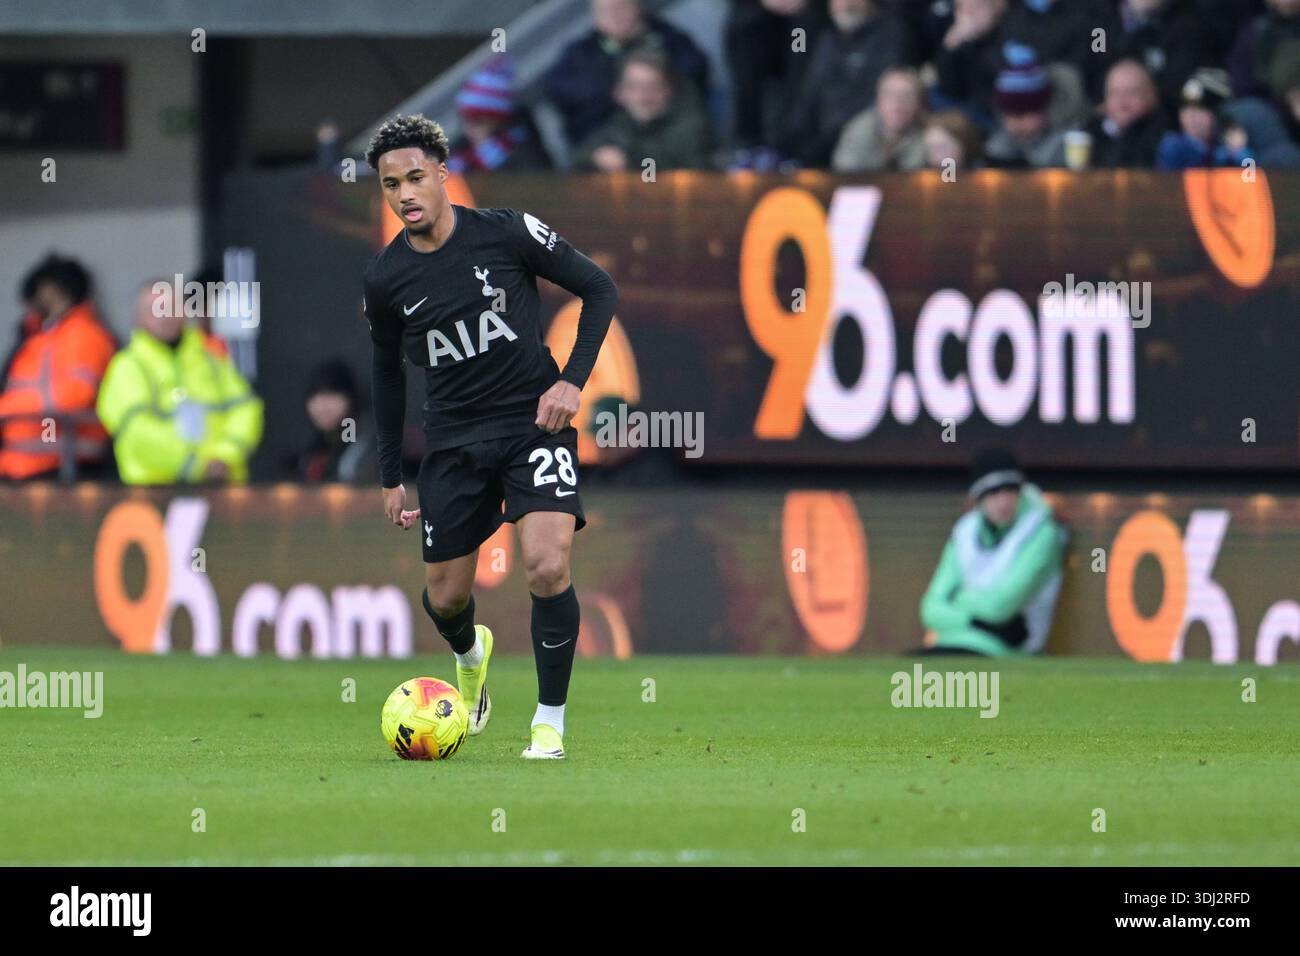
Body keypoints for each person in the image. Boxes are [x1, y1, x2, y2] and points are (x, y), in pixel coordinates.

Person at [363, 115, 617, 760]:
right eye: (392, 184)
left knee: (547, 565)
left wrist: (572, 383)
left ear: (443, 175)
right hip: (452, 443)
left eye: (416, 177)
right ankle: (470, 654)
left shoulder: (506, 232)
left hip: (535, 425)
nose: (405, 193)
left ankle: (549, 723)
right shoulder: (387, 279)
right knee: (446, 597)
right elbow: (387, 377)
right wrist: (391, 474)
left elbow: (598, 287)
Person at [96, 280, 263, 485]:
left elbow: (245, 409)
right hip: (154, 492)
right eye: (155, 309)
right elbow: (137, 432)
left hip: (220, 488)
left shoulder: (211, 360)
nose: (165, 316)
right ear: (138, 318)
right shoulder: (127, 367)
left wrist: (225, 455)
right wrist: (194, 465)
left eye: (172, 307)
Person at [919, 449, 1067, 657]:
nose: (1003, 502)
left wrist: (956, 603)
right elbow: (929, 609)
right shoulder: (965, 531)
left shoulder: (1043, 533)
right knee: (904, 680)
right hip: (949, 643)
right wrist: (976, 622)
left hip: (1008, 652)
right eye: (994, 493)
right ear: (979, 498)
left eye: (1010, 491)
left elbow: (1001, 607)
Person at [0, 255, 116, 480]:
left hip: (61, 468)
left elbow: (72, 396)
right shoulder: (42, 337)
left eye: (38, 292)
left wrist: (6, 408)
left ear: (53, 290)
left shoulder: (83, 335)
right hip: (24, 467)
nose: (33, 303)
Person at [543, 0, 710, 147]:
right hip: (607, 142)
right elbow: (557, 89)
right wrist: (613, 89)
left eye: (621, 7)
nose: (615, 15)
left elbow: (696, 66)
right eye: (606, 10)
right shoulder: (581, 53)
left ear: (637, 7)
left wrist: (655, 83)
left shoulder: (664, 36)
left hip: (669, 132)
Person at [777, 0, 915, 167]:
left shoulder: (891, 33)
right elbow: (809, 95)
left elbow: (880, 94)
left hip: (865, 138)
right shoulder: (826, 39)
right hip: (821, 142)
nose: (845, 4)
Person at [573, 49, 713, 172]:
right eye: (634, 87)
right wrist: (596, 157)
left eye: (653, 86)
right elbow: (578, 160)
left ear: (669, 90)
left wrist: (628, 166)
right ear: (619, 93)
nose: (644, 96)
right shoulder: (618, 125)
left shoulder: (692, 129)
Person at [983, 47, 1087, 168]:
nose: (1017, 124)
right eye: (1010, 115)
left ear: (1045, 109)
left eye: (1024, 115)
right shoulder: (998, 147)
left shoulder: (1069, 143)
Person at [446, 56, 551, 174]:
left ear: (499, 123)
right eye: (464, 120)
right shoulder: (460, 154)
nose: (467, 129)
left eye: (478, 121)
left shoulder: (526, 157)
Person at [284, 359, 376, 483]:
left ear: (352, 400)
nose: (323, 407)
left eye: (332, 396)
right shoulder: (311, 451)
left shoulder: (369, 448)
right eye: (315, 397)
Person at [832, 66, 928, 172]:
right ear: (878, 100)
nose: (898, 102)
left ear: (918, 103)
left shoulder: (926, 132)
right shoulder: (857, 131)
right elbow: (845, 176)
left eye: (907, 96)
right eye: (890, 94)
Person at [1157, 68, 1256, 169]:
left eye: (1200, 109)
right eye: (1185, 108)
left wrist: (1237, 154)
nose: (1191, 116)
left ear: (1219, 114)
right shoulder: (1175, 146)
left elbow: (1249, 179)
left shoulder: (1233, 145)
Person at [1083, 58, 1169, 168]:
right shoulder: (1089, 133)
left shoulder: (1163, 137)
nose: (1122, 102)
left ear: (1151, 96)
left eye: (1131, 93)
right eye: (1114, 93)